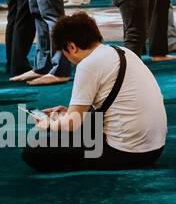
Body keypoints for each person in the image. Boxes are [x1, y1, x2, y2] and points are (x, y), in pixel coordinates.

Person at [22, 13, 167, 172]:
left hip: (127, 152)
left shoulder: (87, 65)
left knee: (33, 150)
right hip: (155, 148)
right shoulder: (122, 51)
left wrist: (48, 124)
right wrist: (68, 112)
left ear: (71, 47)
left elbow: (72, 123)